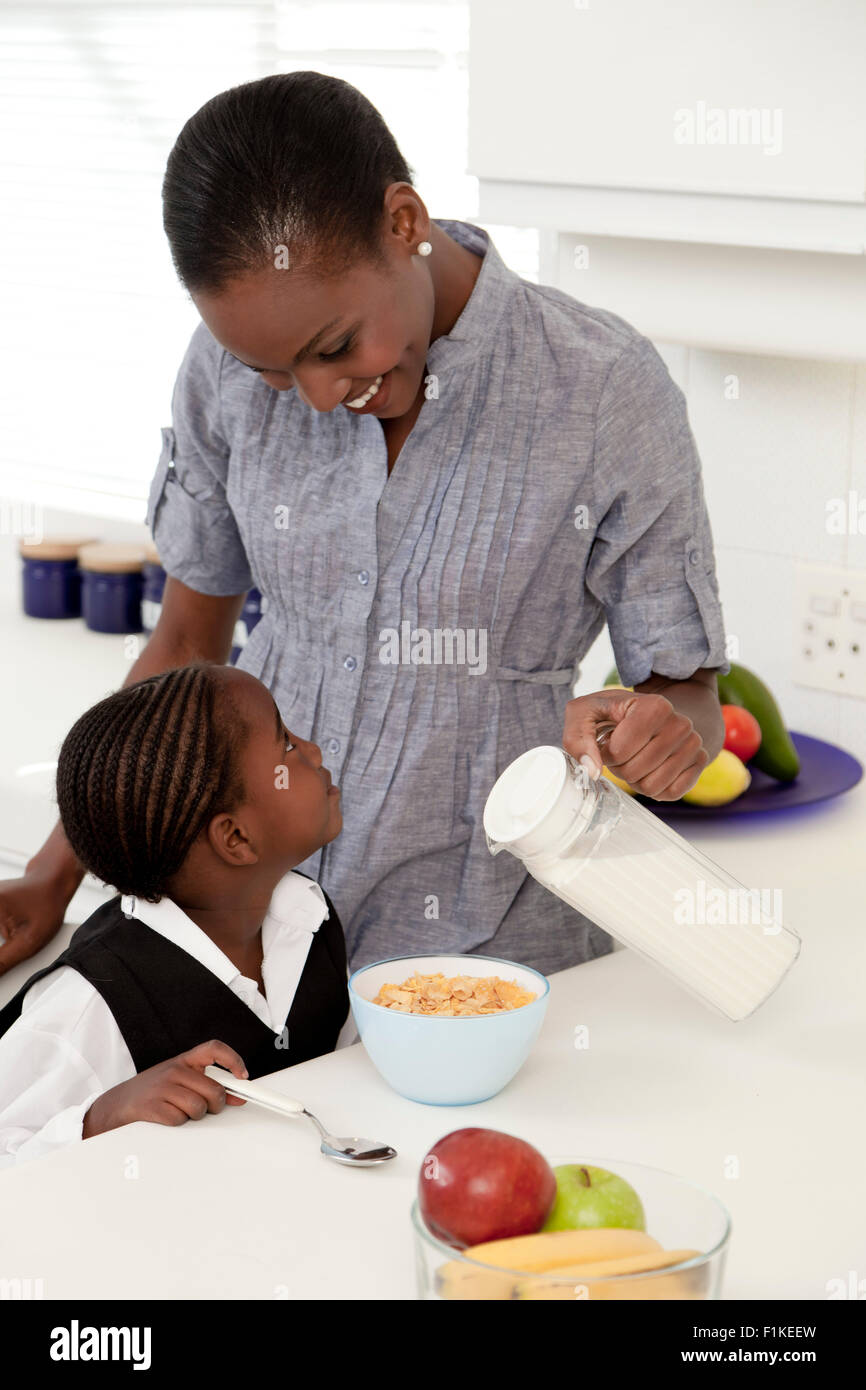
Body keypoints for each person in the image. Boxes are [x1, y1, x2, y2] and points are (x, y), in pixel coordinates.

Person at [0, 70, 728, 985]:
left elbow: (686, 688)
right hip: (235, 934)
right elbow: (188, 641)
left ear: (404, 221)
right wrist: (49, 875)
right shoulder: (221, 375)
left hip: (489, 945)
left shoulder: (601, 389)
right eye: (272, 371)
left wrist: (663, 734)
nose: (316, 396)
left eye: (337, 346)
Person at [0, 662, 351, 1164]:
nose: (314, 750)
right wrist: (100, 1119)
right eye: (288, 748)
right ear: (235, 838)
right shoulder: (92, 1005)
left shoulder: (309, 918)